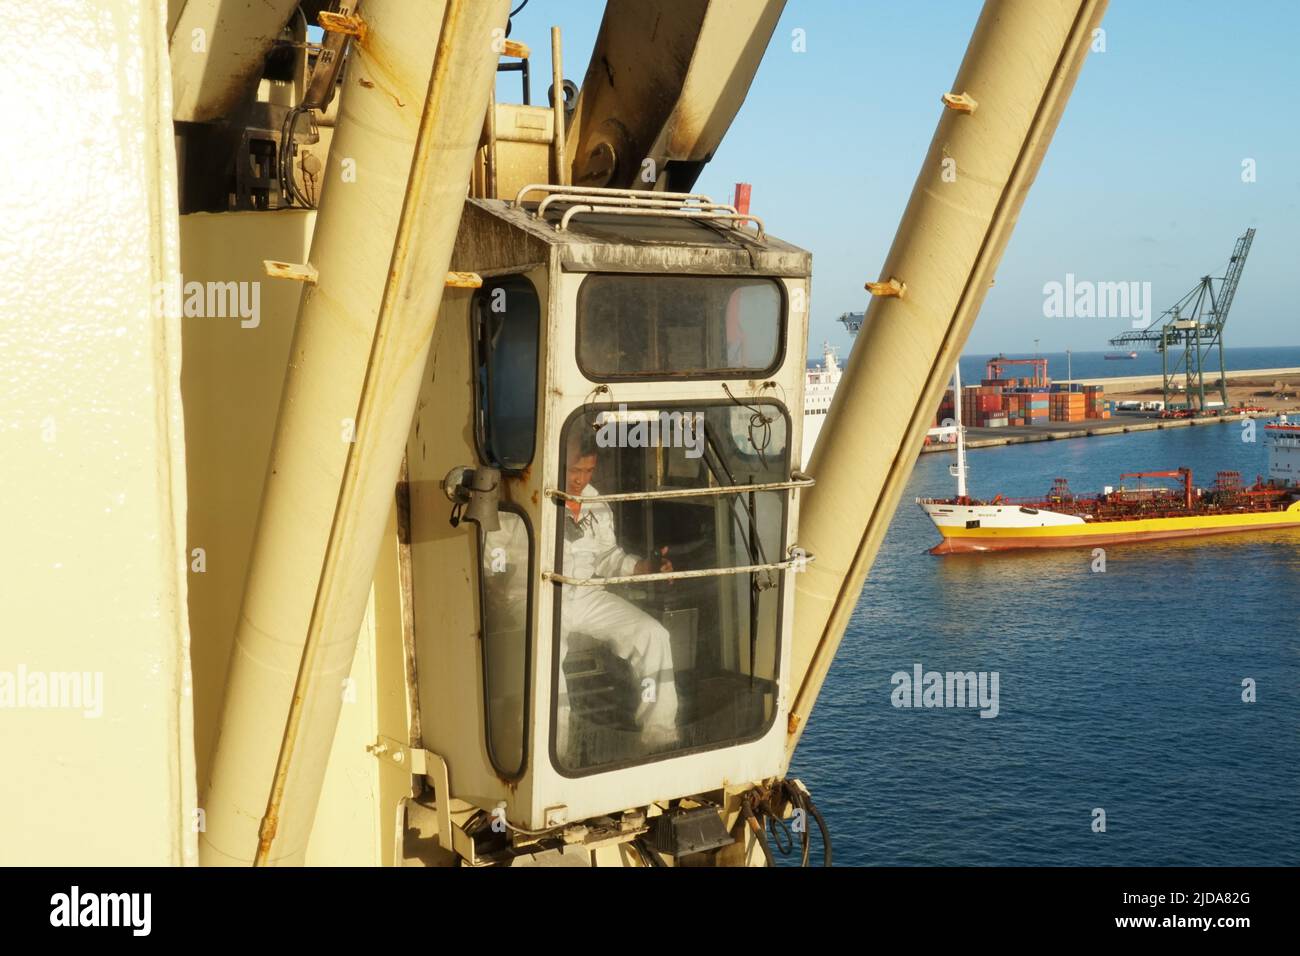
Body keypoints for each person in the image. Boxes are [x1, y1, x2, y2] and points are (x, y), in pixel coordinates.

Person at [557, 426, 679, 756]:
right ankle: (559, 754)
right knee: (548, 662)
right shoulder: (533, 496)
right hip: (537, 596)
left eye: (587, 471)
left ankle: (659, 738)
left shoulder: (596, 502)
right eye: (573, 470)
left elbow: (608, 557)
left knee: (653, 635)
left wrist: (644, 568)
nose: (580, 479)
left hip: (583, 594)